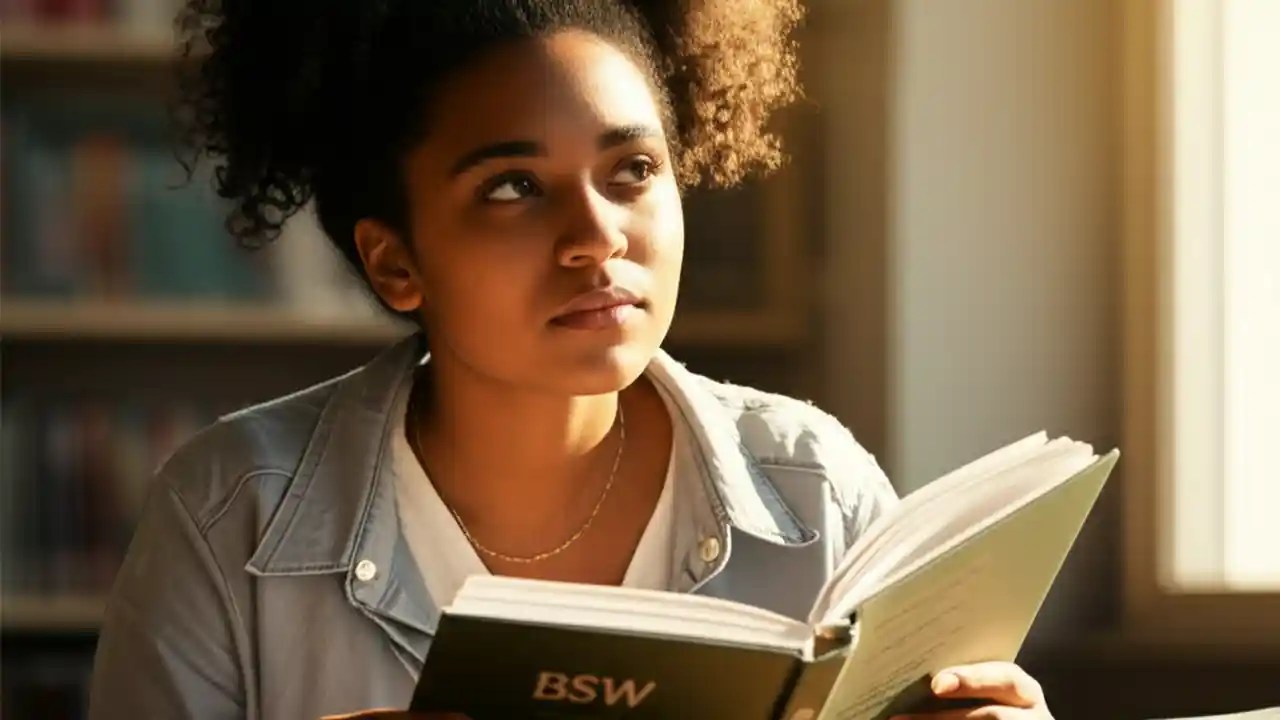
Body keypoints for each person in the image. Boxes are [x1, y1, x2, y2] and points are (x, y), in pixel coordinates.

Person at [87, 1, 1055, 718]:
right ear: (396, 261)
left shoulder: (814, 487)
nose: (596, 237)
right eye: (512, 186)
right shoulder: (227, 509)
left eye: (631, 172)